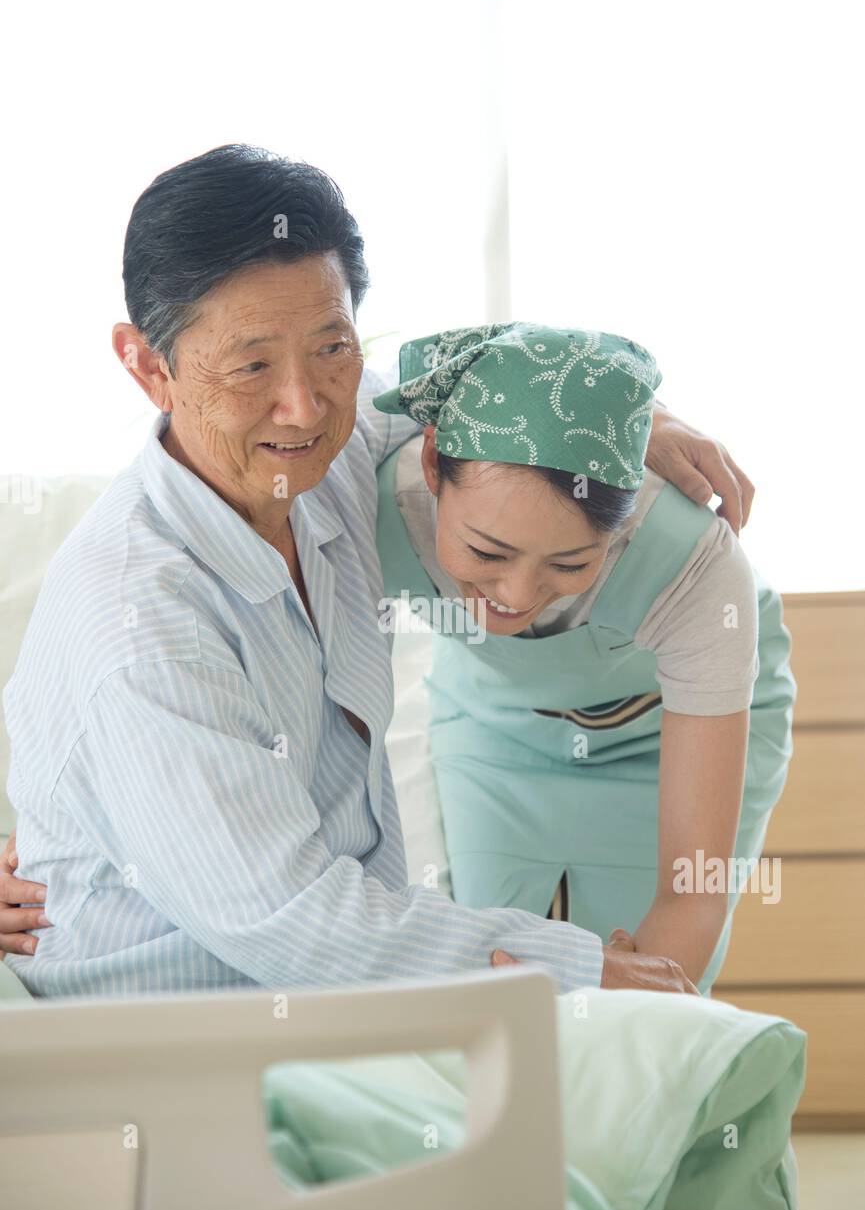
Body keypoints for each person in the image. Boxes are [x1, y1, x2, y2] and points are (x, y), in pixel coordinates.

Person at [0, 145, 753, 998]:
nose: (306, 403)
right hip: (184, 1030)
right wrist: (582, 969)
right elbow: (294, 919)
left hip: (326, 1007)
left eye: (331, 348)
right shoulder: (141, 624)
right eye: (252, 366)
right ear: (147, 365)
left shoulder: (331, 464)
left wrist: (624, 417)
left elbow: (477, 377)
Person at [371, 324, 795, 994]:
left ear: (621, 525)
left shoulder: (696, 566)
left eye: (569, 564)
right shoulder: (367, 504)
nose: (515, 596)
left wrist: (632, 1024)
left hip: (671, 731)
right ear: (432, 467)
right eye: (486, 553)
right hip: (495, 719)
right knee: (501, 957)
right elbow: (505, 361)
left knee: (645, 988)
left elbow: (691, 894)